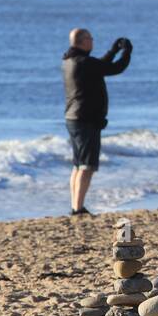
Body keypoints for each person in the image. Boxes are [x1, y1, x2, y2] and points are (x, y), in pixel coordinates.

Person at [62, 28, 132, 215]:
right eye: (90, 38)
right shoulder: (83, 63)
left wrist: (114, 50)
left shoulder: (70, 61)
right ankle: (78, 208)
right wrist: (127, 52)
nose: (92, 41)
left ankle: (76, 205)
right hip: (85, 120)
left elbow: (100, 64)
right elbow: (114, 68)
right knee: (86, 166)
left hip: (73, 118)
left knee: (78, 165)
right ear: (82, 41)